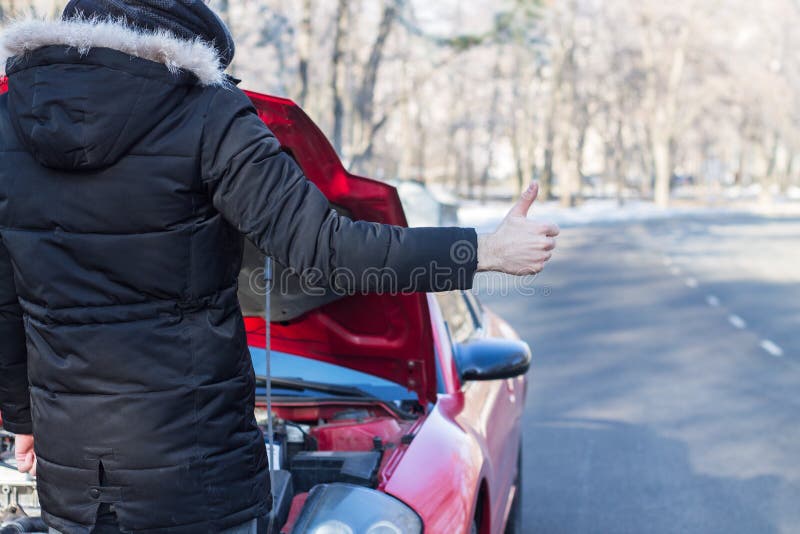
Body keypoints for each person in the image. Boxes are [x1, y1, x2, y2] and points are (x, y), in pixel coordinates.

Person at [0, 1, 558, 532]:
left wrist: (23, 419)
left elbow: (7, 299)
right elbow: (325, 249)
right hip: (198, 483)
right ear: (183, 47)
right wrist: (485, 250)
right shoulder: (206, 114)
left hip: (74, 484)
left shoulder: (8, 123)